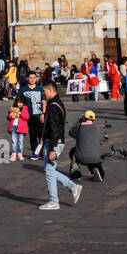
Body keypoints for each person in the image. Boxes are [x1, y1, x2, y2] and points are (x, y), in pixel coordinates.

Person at [38, 79, 82, 211]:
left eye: (44, 91)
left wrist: (52, 148)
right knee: (49, 171)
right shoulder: (55, 104)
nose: (43, 94)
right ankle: (72, 187)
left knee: (49, 172)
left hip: (53, 142)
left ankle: (54, 200)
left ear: (50, 90)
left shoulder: (54, 106)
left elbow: (55, 129)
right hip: (55, 141)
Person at [69, 110, 105, 182]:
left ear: (83, 118)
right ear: (94, 120)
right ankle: (98, 172)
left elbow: (71, 133)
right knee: (93, 158)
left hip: (81, 156)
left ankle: (76, 173)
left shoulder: (78, 127)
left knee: (72, 151)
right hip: (95, 157)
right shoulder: (97, 127)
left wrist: (78, 122)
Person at [7, 97, 29, 161]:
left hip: (21, 128)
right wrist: (11, 114)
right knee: (14, 141)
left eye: (21, 102)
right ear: (16, 102)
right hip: (14, 126)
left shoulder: (25, 108)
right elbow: (8, 117)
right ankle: (13, 154)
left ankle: (20, 154)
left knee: (20, 142)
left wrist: (20, 113)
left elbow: (27, 117)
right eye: (19, 102)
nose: (20, 104)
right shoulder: (12, 108)